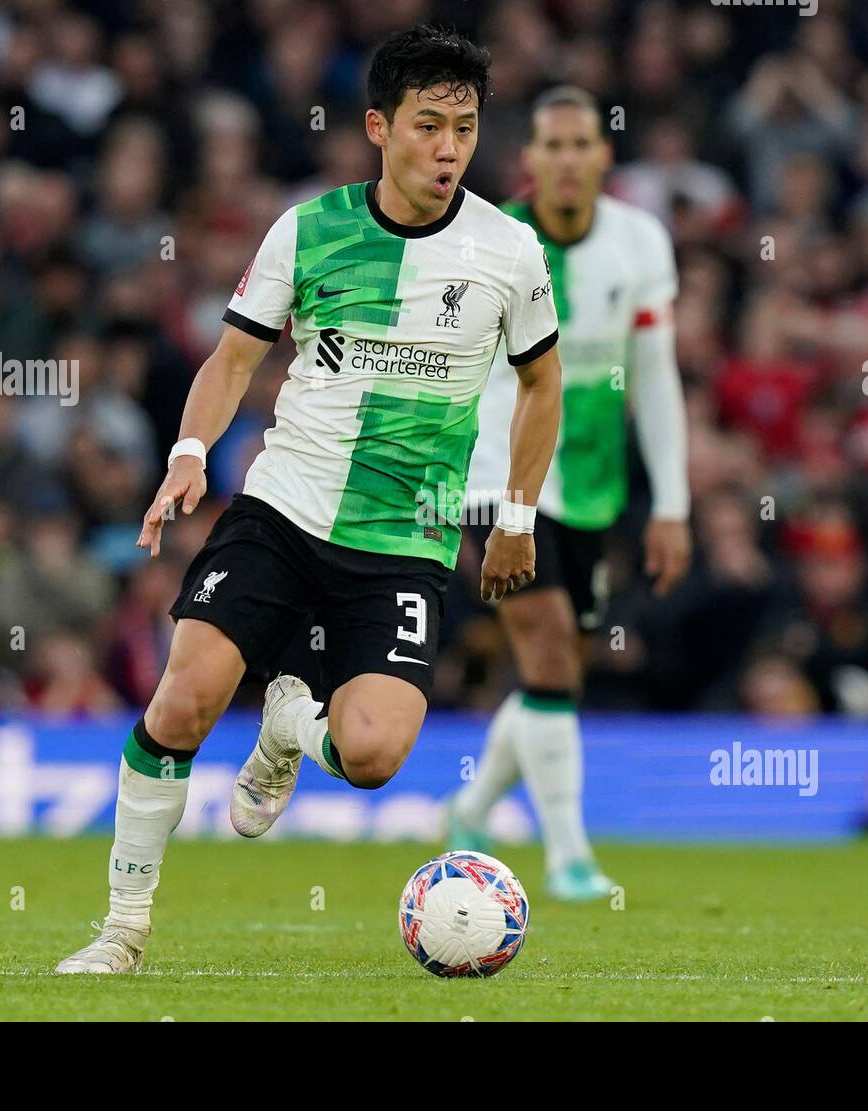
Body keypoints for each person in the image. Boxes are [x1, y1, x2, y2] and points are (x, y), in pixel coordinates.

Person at [56, 24, 562, 974]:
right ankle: (122, 930)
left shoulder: (510, 251)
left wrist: (518, 516)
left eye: (465, 127)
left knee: (372, 755)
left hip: (408, 538)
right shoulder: (307, 228)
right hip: (283, 509)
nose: (449, 148)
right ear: (378, 126)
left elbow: (544, 387)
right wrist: (189, 450)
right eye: (427, 125)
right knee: (181, 703)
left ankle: (290, 726)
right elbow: (235, 355)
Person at [448, 86, 690, 901]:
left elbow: (655, 379)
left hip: (592, 478)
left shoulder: (641, 243)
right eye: (549, 145)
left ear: (602, 155)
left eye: (580, 143)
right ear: (530, 161)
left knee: (560, 671)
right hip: (497, 471)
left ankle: (472, 805)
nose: (565, 159)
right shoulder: (488, 242)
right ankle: (569, 858)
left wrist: (673, 503)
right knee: (548, 647)